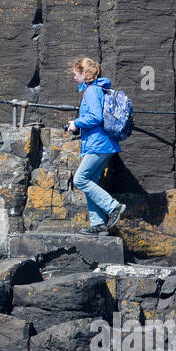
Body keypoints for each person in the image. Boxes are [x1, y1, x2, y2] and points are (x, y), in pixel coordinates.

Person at [66, 57, 126, 235]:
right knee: (90, 182)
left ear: (84, 74)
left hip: (98, 144)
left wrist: (76, 123)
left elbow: (95, 117)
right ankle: (98, 224)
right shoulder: (97, 89)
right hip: (101, 144)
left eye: (76, 74)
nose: (74, 78)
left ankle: (114, 207)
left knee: (80, 180)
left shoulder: (92, 91)